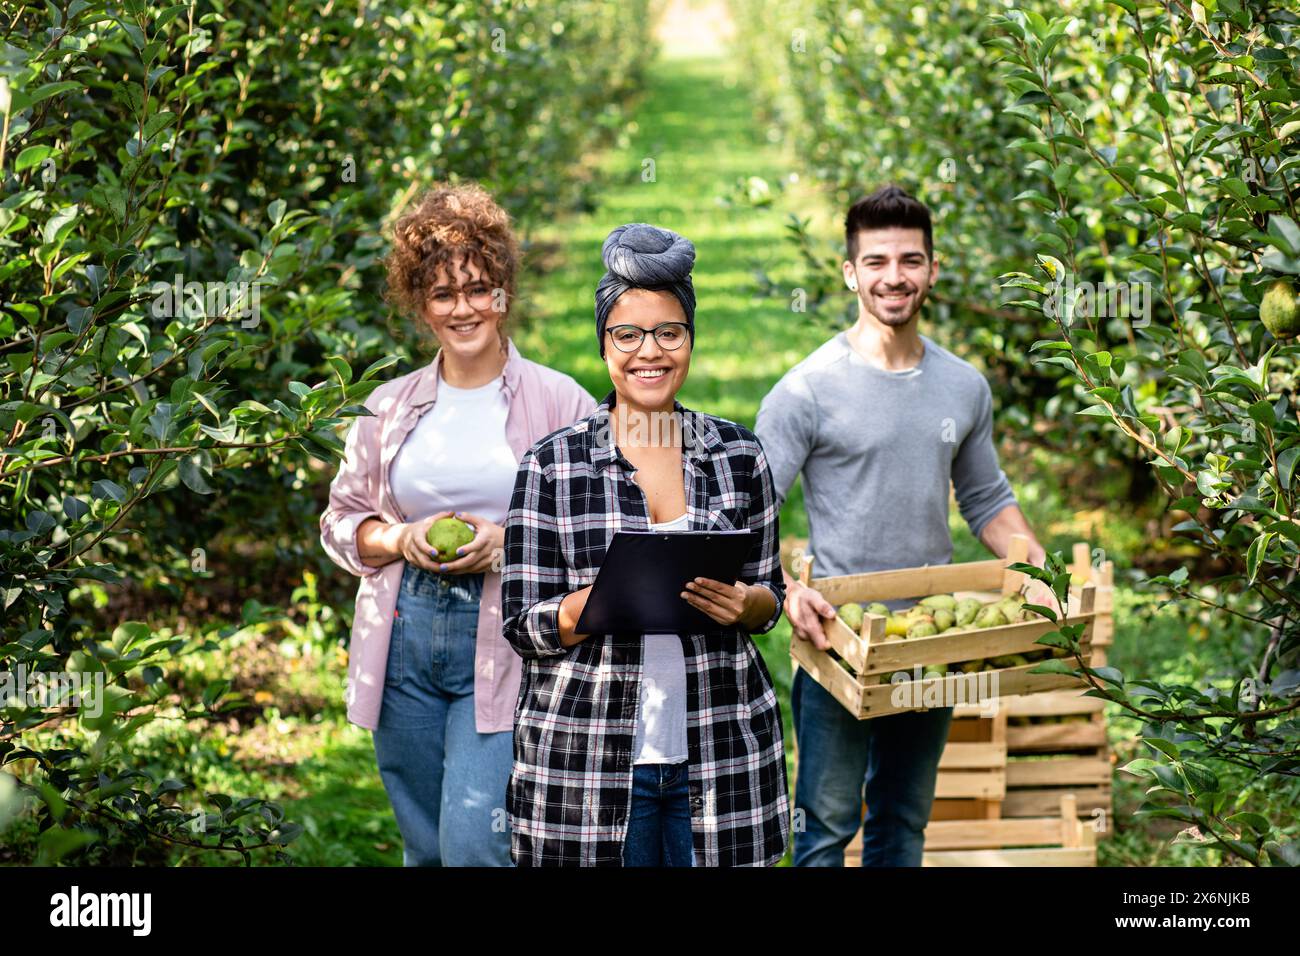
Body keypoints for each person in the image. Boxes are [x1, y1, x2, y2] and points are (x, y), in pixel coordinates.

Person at [754, 184, 1051, 867]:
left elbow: (985, 497)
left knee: (902, 821)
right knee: (827, 826)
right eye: (878, 260)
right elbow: (752, 511)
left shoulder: (962, 387)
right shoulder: (806, 390)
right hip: (840, 637)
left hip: (932, 637)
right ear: (850, 271)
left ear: (933, 270)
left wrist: (1035, 568)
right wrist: (788, 591)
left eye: (911, 260)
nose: (895, 276)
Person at [319, 182, 595, 866]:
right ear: (420, 305)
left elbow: (602, 529)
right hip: (403, 632)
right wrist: (399, 538)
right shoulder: (386, 406)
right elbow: (342, 521)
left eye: (479, 288)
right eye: (442, 293)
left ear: (504, 293)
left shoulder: (561, 400)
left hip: (501, 637)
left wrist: (512, 545)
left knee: (476, 846)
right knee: (426, 849)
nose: (463, 307)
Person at [500, 222, 790, 867]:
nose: (648, 352)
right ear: (604, 345)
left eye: (669, 332)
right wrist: (588, 607)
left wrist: (750, 607)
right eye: (626, 334)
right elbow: (522, 625)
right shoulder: (553, 466)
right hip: (590, 762)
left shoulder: (738, 454)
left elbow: (773, 593)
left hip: (720, 756)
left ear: (690, 340)